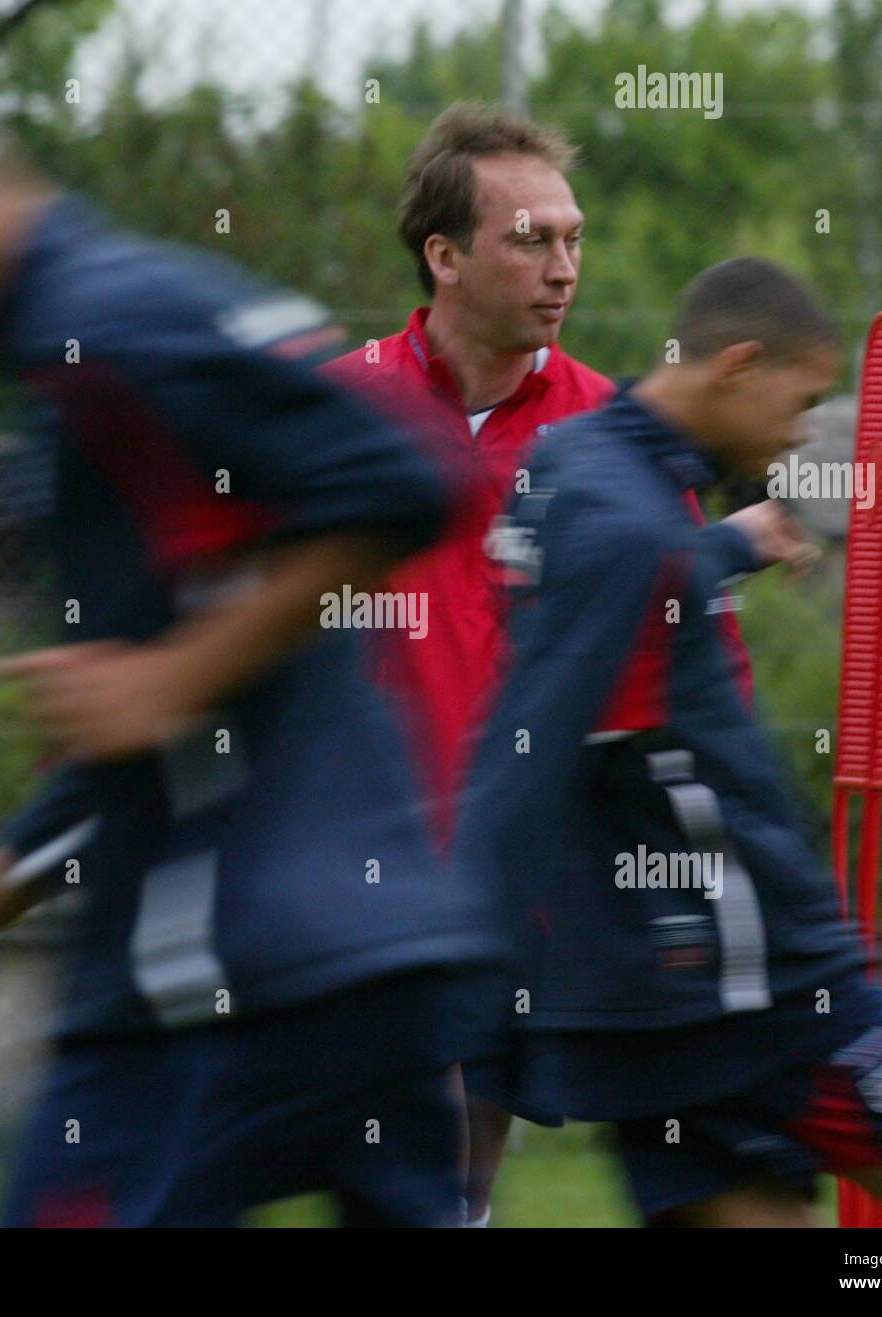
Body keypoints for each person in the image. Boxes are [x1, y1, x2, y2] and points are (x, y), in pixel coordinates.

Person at [0, 71, 503, 1227]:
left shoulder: (96, 337)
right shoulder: (100, 336)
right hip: (368, 958)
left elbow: (409, 476)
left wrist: (173, 675)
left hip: (217, 980)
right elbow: (136, 743)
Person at [326, 103, 814, 1224]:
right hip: (355, 875)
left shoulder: (609, 433)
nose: (563, 267)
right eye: (529, 239)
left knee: (455, 1181)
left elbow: (688, 663)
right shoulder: (343, 410)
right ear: (443, 256)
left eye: (573, 238)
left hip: (517, 883)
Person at [456, 257, 882, 1227]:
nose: (798, 433)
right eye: (798, 403)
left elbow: (596, 618)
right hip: (760, 965)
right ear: (738, 365)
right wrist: (447, 945)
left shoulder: (565, 463)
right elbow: (528, 747)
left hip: (635, 987)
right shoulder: (633, 533)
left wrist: (722, 547)